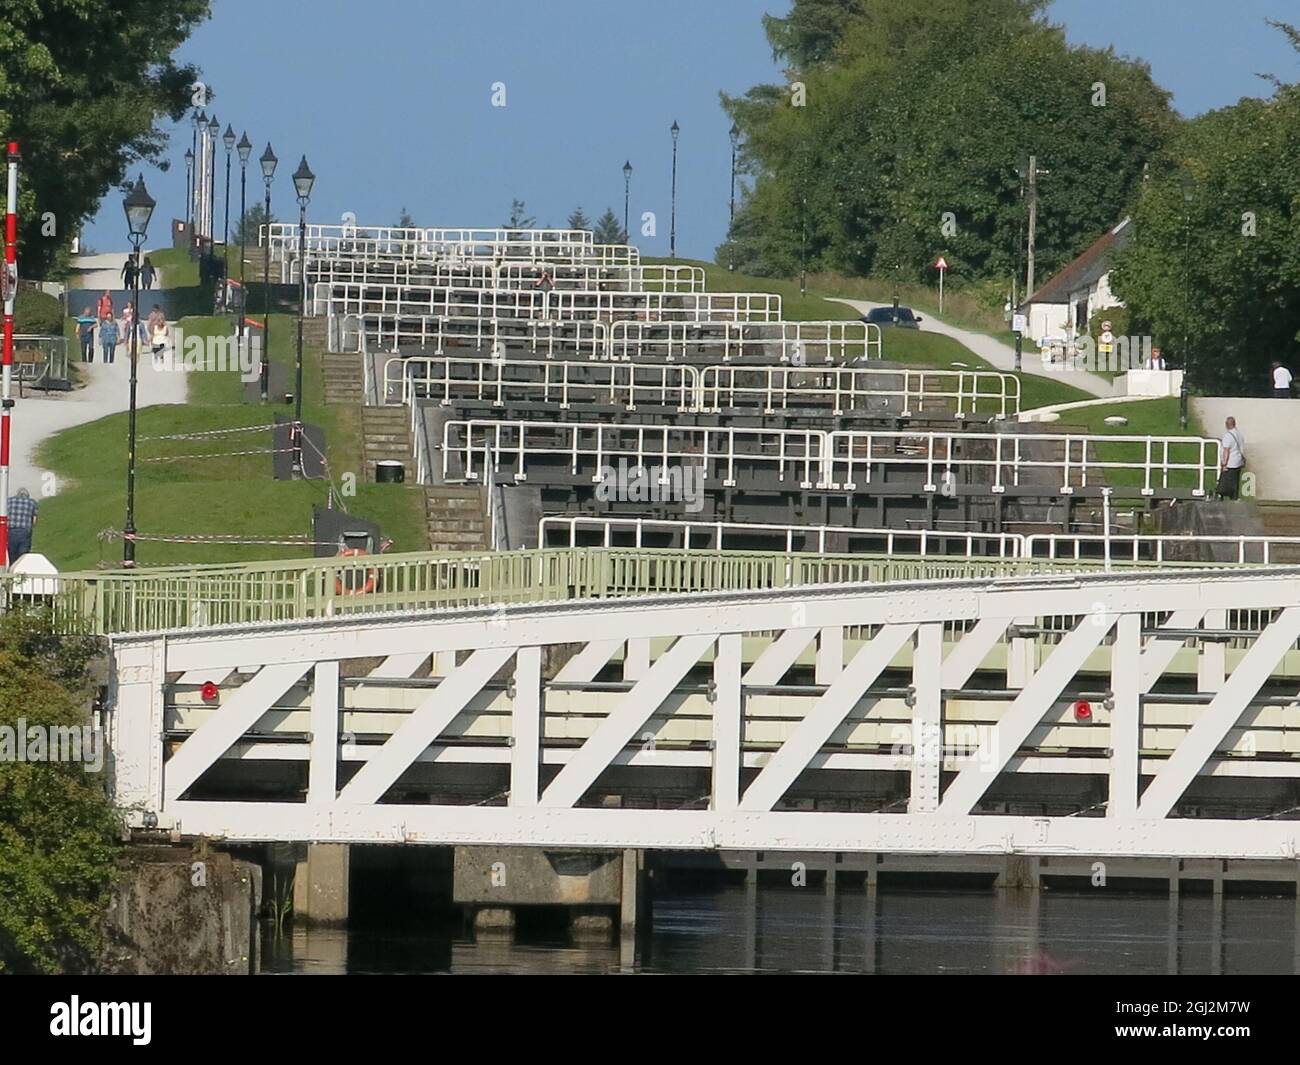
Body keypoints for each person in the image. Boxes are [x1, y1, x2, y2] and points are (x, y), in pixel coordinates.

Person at [1217, 416, 1246, 500]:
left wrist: (1224, 464)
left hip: (1230, 463)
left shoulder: (1228, 436)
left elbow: (1226, 451)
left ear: (1226, 425)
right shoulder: (1239, 434)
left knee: (1225, 483)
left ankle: (1221, 497)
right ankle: (1235, 498)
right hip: (1238, 462)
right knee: (1235, 482)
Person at [6, 487, 38, 562]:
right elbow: (34, 520)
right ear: (27, 496)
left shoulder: (9, 501)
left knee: (12, 554)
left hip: (11, 531)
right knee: (23, 556)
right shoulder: (32, 502)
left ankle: (11, 570)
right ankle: (21, 571)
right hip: (25, 532)